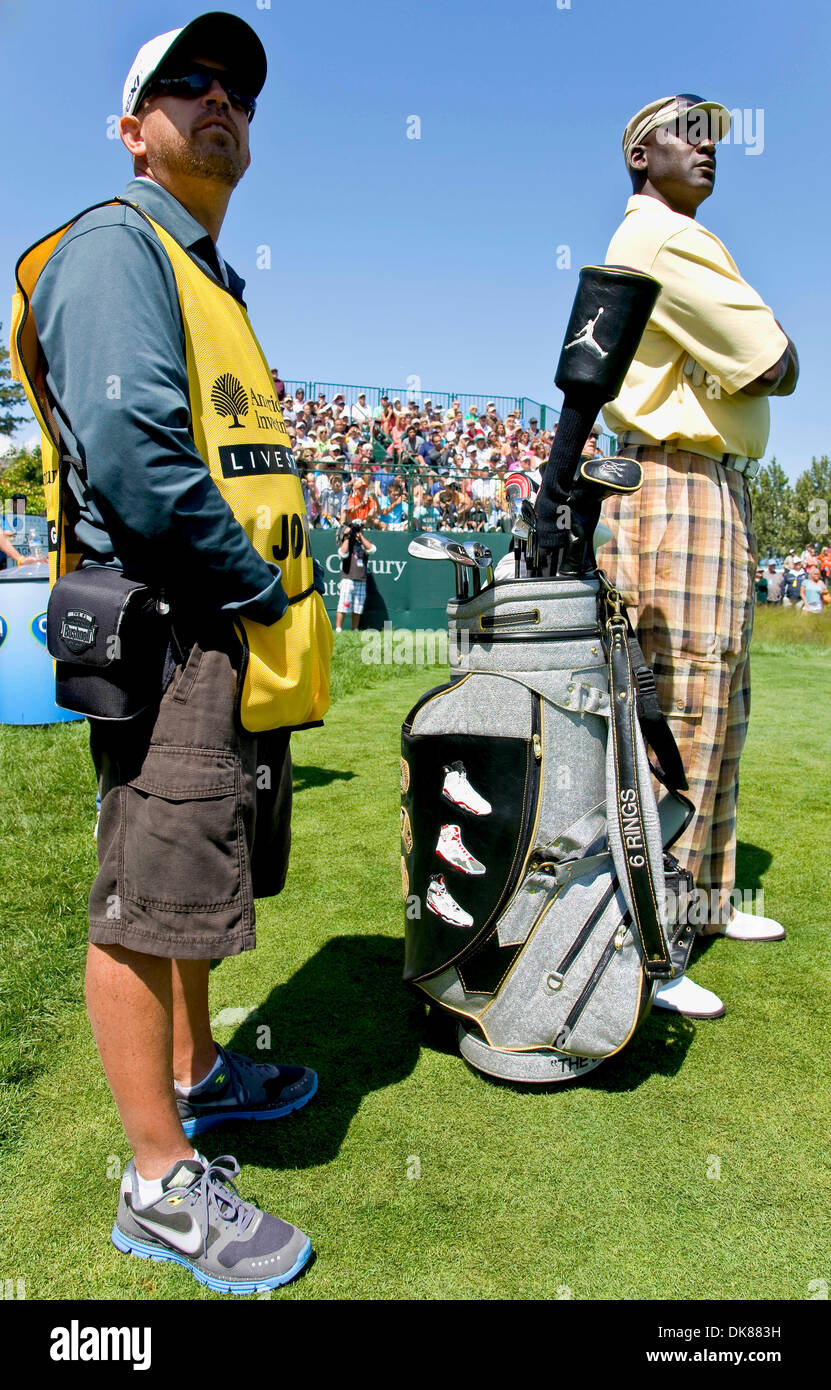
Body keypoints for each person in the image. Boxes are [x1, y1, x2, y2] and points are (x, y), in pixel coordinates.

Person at [14, 13, 332, 1292]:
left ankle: (201, 1076)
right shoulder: (114, 243)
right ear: (135, 126)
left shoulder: (200, 268)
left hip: (216, 625)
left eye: (239, 93)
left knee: (196, 875)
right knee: (144, 903)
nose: (223, 103)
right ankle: (156, 1183)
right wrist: (255, 587)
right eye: (189, 85)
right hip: (172, 620)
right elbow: (139, 460)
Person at [600, 94, 798, 1020]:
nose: (706, 149)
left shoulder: (678, 232)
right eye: (686, 136)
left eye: (712, 137)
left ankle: (705, 902)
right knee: (677, 702)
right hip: (672, 476)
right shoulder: (660, 235)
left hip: (705, 478)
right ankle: (655, 936)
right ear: (641, 155)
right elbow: (770, 362)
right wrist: (768, 348)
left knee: (719, 696)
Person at [335, 513, 376, 630]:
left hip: (361, 579)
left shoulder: (363, 543)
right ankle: (338, 629)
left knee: (358, 606)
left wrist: (360, 536)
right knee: (343, 604)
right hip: (348, 578)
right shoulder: (347, 542)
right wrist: (348, 536)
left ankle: (355, 628)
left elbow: (372, 549)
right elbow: (342, 553)